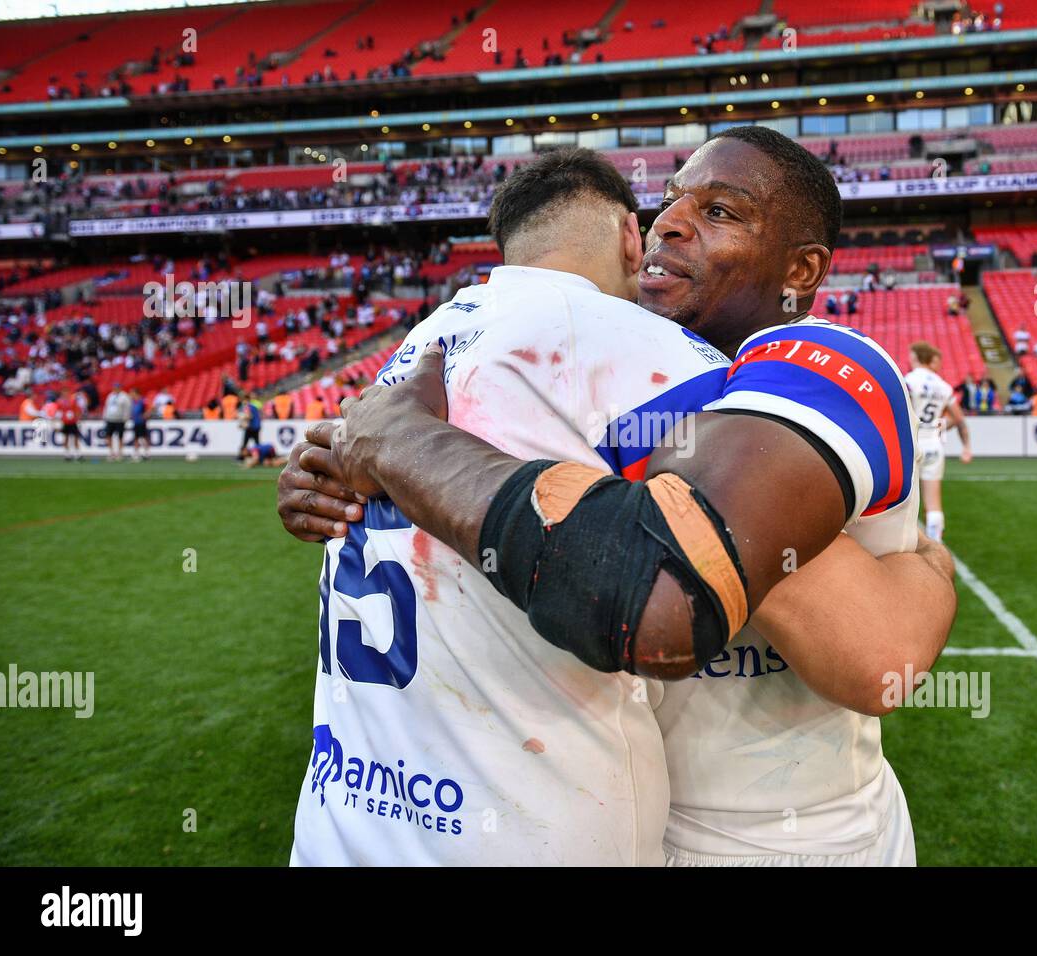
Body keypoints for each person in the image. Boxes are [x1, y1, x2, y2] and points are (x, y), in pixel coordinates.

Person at [279, 138, 955, 866]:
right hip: (650, 825)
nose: (668, 222)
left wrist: (397, 443)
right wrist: (334, 465)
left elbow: (875, 653)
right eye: (668, 202)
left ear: (801, 269)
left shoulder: (813, 364)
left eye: (721, 211)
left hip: (797, 840)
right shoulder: (628, 375)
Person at [906, 342, 972, 542]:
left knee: (905, 502)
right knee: (933, 503)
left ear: (916, 357)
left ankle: (905, 546)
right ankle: (936, 544)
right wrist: (966, 446)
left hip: (912, 443)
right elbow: (958, 419)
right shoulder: (943, 386)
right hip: (934, 444)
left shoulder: (909, 380)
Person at [102, 383, 132, 461]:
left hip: (120, 419)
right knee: (108, 436)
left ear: (120, 388)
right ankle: (111, 453)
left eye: (117, 388)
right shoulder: (110, 395)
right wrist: (105, 416)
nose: (116, 389)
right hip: (110, 418)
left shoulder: (124, 396)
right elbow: (106, 406)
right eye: (115, 388)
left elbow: (127, 408)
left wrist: (125, 418)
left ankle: (120, 453)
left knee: (120, 437)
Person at [58, 388, 82, 461]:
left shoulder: (72, 400)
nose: (65, 394)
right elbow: (58, 412)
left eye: (66, 392)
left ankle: (77, 454)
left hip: (73, 422)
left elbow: (77, 410)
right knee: (66, 438)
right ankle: (67, 454)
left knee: (75, 438)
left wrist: (78, 419)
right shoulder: (60, 402)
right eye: (63, 392)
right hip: (65, 422)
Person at [237, 391, 262, 459]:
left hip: (252, 427)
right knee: (257, 443)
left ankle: (240, 457)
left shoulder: (247, 407)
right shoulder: (253, 406)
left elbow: (249, 416)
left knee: (245, 443)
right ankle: (260, 457)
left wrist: (241, 419)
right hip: (256, 427)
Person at [130, 391, 151, 461]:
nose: (131, 394)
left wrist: (146, 415)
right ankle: (136, 453)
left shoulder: (142, 401)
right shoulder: (133, 402)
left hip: (142, 422)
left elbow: (150, 408)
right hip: (136, 422)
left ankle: (147, 453)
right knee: (136, 438)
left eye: (132, 393)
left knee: (144, 437)